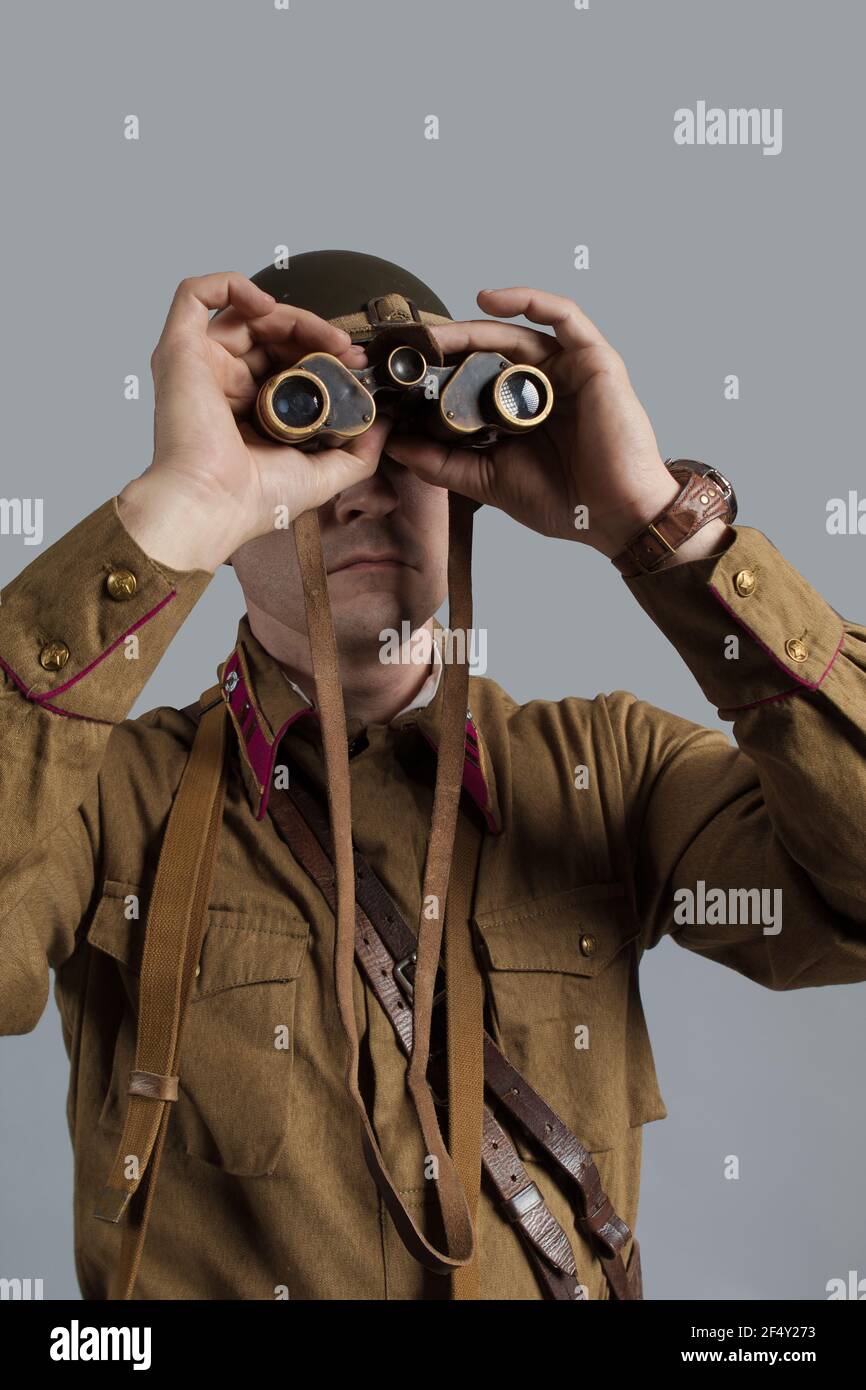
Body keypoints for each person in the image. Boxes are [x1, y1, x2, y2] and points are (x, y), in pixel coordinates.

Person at [1, 250, 864, 1301]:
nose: (357, 489)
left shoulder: (608, 771)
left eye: (408, 444)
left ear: (469, 490)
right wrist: (170, 512)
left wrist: (662, 526)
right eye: (303, 431)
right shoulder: (101, 797)